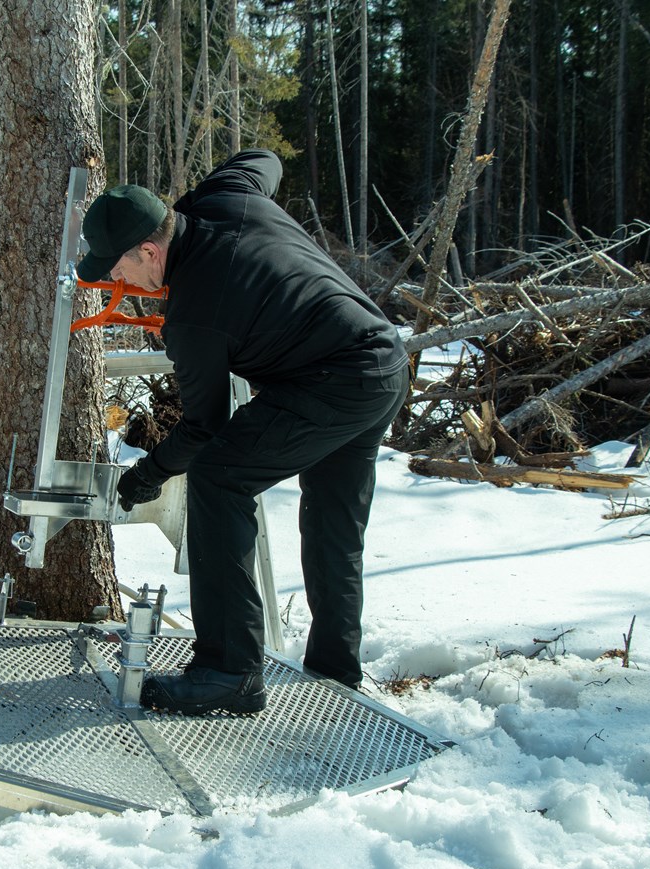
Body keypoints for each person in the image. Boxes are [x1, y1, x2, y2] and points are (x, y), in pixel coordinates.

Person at [77, 149, 409, 715]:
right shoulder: (231, 196)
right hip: (383, 364)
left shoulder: (193, 313)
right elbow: (264, 158)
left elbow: (206, 428)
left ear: (151, 251)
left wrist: (146, 475)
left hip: (331, 382)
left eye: (119, 268)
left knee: (217, 479)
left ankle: (228, 672)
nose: (116, 279)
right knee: (334, 523)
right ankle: (334, 672)